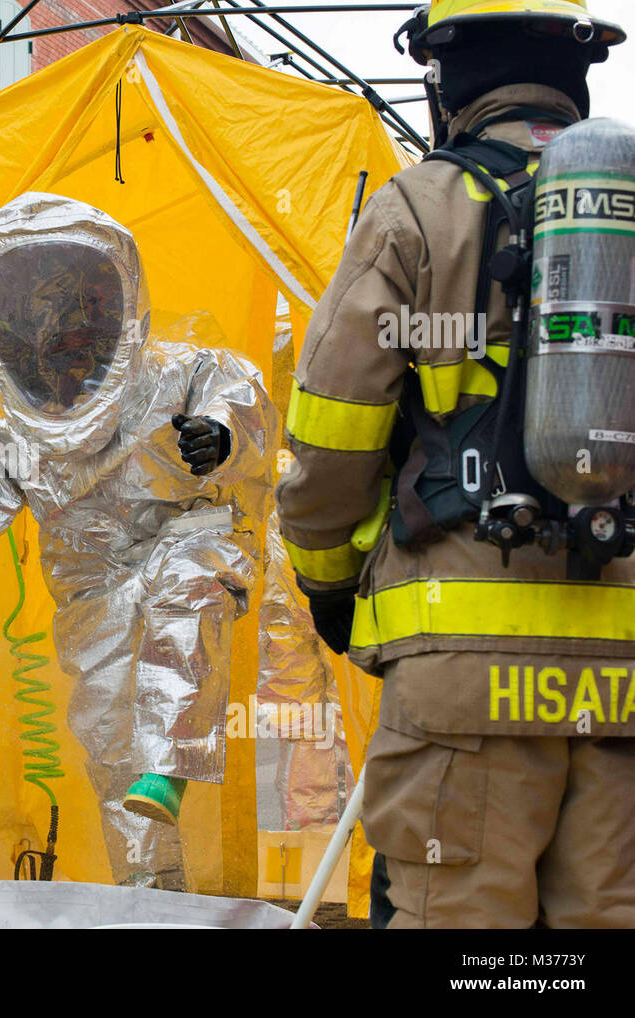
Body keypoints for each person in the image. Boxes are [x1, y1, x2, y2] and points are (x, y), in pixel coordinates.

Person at [275, 0, 634, 927]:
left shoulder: (416, 209)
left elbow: (334, 429)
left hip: (462, 679)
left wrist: (328, 585)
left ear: (449, 77)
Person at [0, 193, 277, 889]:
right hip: (90, 585)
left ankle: (170, 765)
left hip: (190, 535)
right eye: (44, 323)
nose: (62, 336)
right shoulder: (7, 417)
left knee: (185, 601)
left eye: (77, 317)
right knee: (108, 733)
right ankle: (151, 893)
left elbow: (240, 393)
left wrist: (218, 434)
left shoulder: (176, 372)